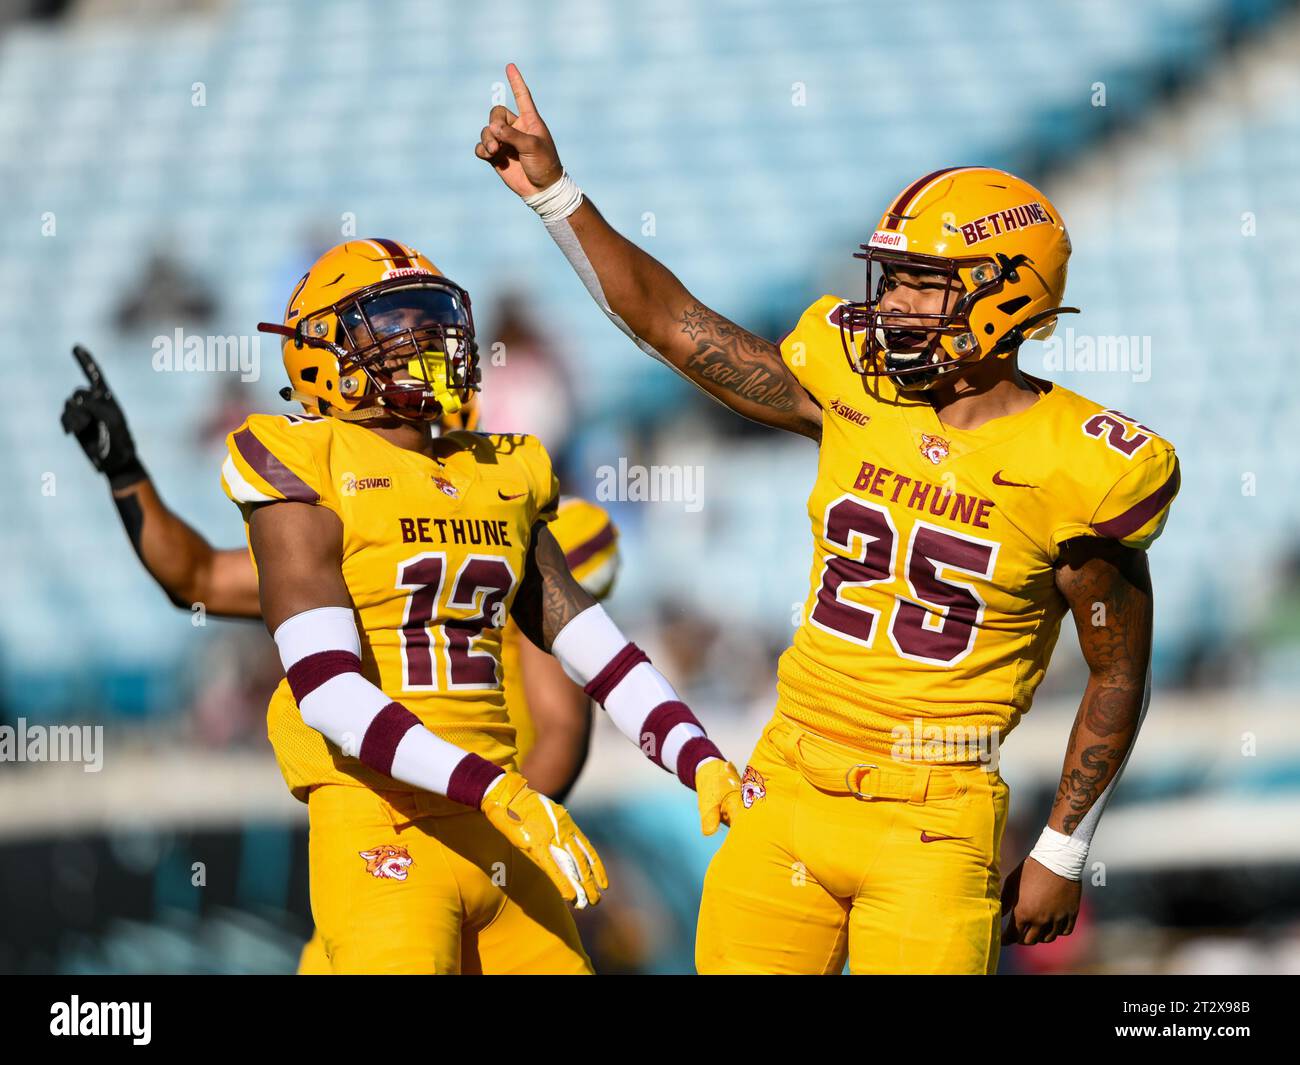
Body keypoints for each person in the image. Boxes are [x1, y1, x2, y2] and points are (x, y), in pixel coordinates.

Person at [476, 67, 1179, 975]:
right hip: (789, 781)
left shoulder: (1081, 465)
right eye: (892, 280)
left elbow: (1119, 672)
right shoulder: (857, 387)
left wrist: (1061, 848)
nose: (890, 305)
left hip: (938, 806)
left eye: (924, 286)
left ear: (1008, 296)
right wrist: (555, 195)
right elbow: (671, 321)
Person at [68, 237, 742, 973]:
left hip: (500, 819)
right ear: (323, 353)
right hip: (384, 819)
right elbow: (323, 687)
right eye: (398, 323)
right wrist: (127, 471)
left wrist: (696, 753)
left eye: (437, 317)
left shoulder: (501, 470)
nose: (434, 338)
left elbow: (593, 648)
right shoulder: (307, 464)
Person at [62, 349, 621, 973]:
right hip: (381, 836)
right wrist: (125, 473)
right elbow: (196, 578)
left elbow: (562, 727)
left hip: (483, 835)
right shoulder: (351, 535)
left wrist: (502, 817)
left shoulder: (517, 526)